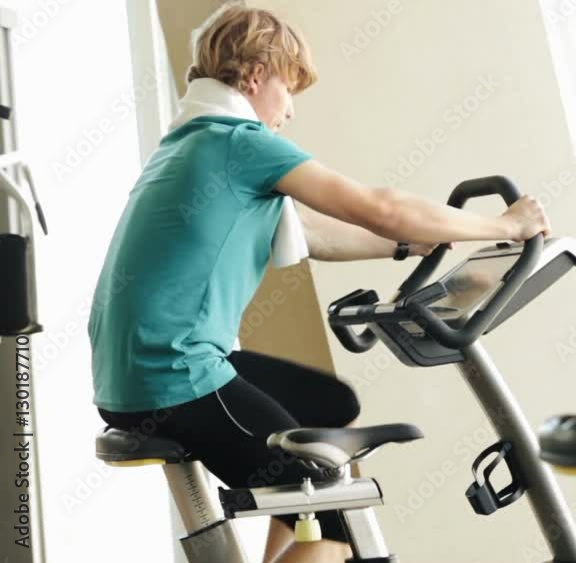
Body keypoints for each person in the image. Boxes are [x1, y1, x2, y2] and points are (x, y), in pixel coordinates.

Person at [86, 4, 551, 562]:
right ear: (256, 74)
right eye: (288, 88)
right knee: (337, 531)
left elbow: (313, 233)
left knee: (328, 404)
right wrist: (504, 226)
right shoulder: (242, 143)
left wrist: (412, 245)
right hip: (178, 380)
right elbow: (380, 207)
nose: (289, 110)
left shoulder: (191, 142)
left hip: (137, 376)